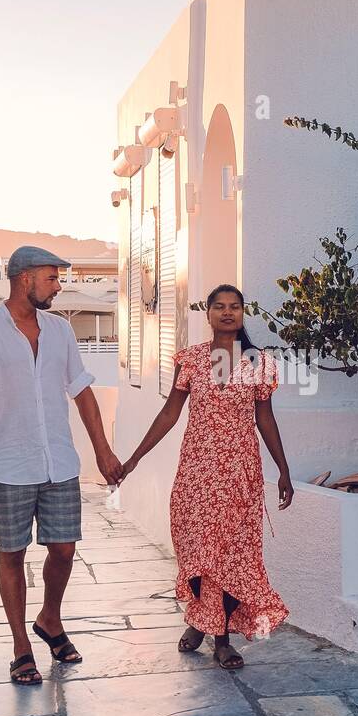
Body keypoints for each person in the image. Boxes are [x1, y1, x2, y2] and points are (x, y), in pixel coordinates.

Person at [0, 245, 124, 685]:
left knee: (64, 549)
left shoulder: (60, 331)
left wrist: (102, 450)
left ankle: (50, 619)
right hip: (7, 465)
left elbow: (82, 391)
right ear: (24, 278)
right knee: (12, 553)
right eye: (52, 277)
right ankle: (20, 647)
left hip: (59, 462)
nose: (58, 285)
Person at [121, 284, 293, 670]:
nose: (227, 313)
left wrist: (283, 469)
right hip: (197, 472)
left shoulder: (258, 362)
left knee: (232, 555)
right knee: (196, 549)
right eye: (219, 306)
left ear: (243, 313)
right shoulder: (192, 359)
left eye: (234, 307)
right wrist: (133, 459)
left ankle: (222, 640)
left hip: (240, 474)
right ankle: (201, 618)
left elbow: (265, 417)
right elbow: (169, 413)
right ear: (208, 314)